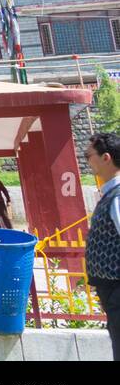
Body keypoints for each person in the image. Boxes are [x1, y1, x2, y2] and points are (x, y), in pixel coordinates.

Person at [84, 132, 120, 361]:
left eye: (88, 155)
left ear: (106, 158)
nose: (87, 160)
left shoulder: (117, 196)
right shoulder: (111, 194)